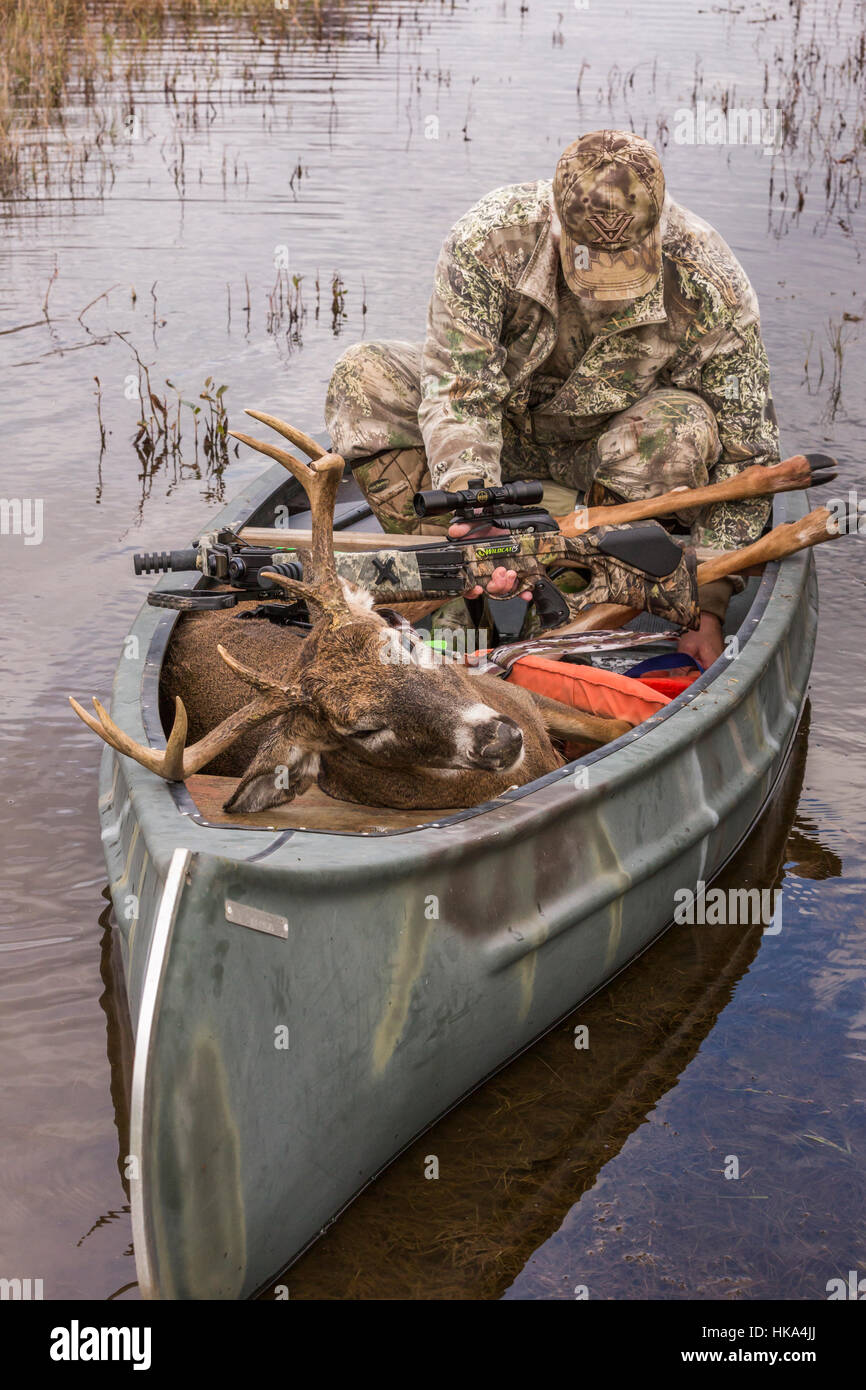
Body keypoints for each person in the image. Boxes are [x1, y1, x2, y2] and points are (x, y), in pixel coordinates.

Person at [325, 129, 779, 667]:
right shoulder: (487, 240)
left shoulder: (709, 279)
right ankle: (455, 584)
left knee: (680, 428)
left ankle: (583, 597)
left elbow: (747, 457)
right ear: (557, 225)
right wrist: (477, 511)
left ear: (657, 232)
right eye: (589, 263)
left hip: (613, 462)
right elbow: (460, 392)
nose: (604, 290)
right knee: (362, 377)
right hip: (501, 439)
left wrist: (708, 607)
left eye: (626, 265)